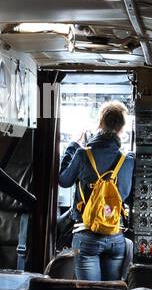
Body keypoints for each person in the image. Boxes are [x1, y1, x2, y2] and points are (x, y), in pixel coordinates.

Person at [58, 102, 135, 280]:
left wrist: (72, 146)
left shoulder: (82, 154)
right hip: (116, 236)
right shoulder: (128, 160)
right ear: (122, 129)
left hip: (86, 235)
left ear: (100, 124)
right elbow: (129, 197)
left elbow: (63, 180)